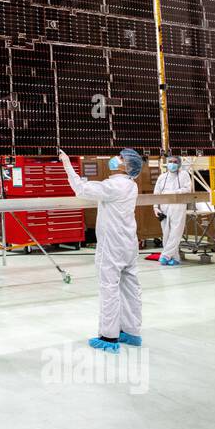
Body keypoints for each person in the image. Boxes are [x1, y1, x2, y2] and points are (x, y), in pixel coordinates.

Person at [59, 148, 143, 352]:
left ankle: (109, 336)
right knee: (130, 287)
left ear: (126, 165)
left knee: (109, 288)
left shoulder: (113, 186)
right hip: (128, 244)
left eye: (120, 158)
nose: (116, 159)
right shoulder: (132, 185)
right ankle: (131, 332)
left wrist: (67, 163)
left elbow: (81, 189)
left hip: (112, 246)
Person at [153, 153, 192, 266]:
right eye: (171, 162)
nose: (172, 164)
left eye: (175, 162)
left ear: (179, 164)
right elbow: (156, 193)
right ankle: (174, 257)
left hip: (178, 205)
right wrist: (155, 207)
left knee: (176, 231)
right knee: (166, 232)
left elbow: (187, 189)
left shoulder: (184, 174)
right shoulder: (162, 177)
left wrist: (175, 192)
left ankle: (165, 255)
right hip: (164, 206)